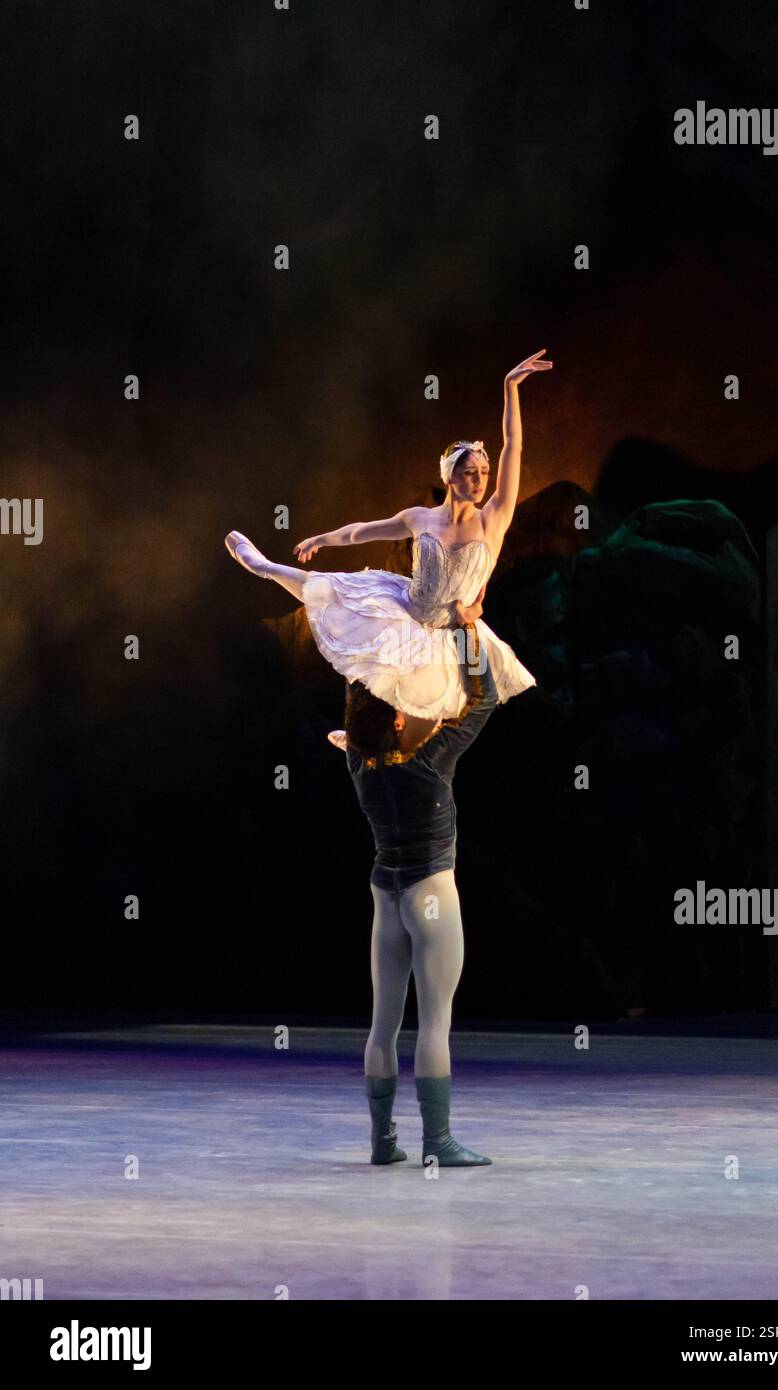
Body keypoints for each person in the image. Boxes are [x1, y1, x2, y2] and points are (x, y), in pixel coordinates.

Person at [224, 348, 552, 720]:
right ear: (449, 476)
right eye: (469, 472)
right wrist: (320, 539)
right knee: (330, 590)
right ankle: (265, 566)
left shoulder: (494, 517)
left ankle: (366, 743)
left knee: (431, 711)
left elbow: (514, 445)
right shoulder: (420, 518)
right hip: (405, 610)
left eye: (483, 471)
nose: (479, 480)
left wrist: (510, 387)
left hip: (450, 630)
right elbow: (361, 533)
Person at [330, 618, 500, 1167]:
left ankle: (382, 1142)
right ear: (400, 716)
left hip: (387, 896)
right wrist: (465, 630)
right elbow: (486, 696)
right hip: (431, 894)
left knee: (383, 1023)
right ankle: (438, 1141)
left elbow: (358, 719)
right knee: (436, 1022)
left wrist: (361, 637)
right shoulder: (430, 761)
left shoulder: (360, 764)